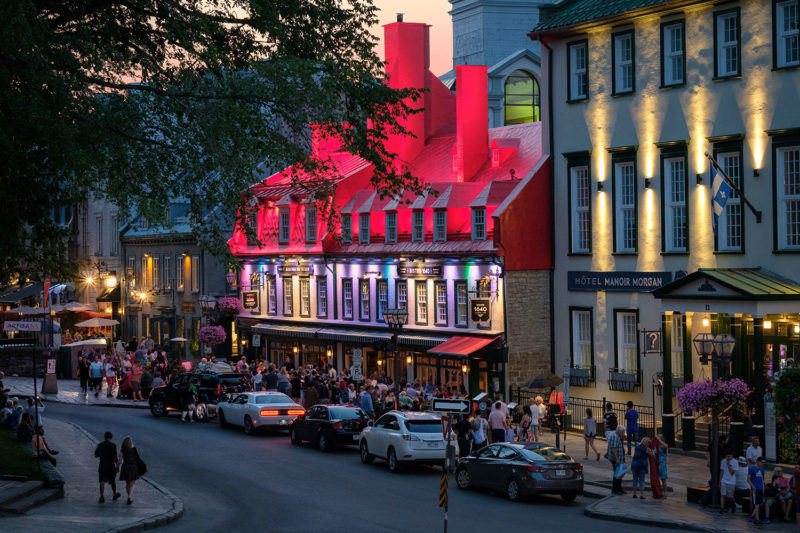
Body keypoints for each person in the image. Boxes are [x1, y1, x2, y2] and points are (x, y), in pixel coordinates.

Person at [95, 431, 121, 503]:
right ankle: (114, 494)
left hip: (102, 465)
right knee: (112, 481)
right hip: (111, 466)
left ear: (104, 437)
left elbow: (96, 455)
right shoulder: (113, 445)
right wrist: (117, 466)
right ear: (111, 438)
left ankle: (102, 496)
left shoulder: (100, 445)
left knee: (102, 482)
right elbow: (115, 457)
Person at [118, 436, 142, 505]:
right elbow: (137, 458)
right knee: (132, 483)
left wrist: (117, 467)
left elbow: (119, 461)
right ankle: (130, 496)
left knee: (127, 484)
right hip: (133, 466)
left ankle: (129, 496)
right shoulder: (134, 449)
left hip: (125, 467)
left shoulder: (122, 450)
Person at [607, 426, 626, 495]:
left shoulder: (618, 436)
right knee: (617, 474)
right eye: (623, 432)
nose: (624, 433)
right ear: (619, 431)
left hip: (620, 458)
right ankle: (615, 489)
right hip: (616, 459)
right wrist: (617, 459)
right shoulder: (615, 436)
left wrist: (623, 437)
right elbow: (613, 448)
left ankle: (619, 488)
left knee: (619, 474)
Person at [748, 456, 766, 526]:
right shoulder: (752, 468)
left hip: (760, 488)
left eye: (763, 463)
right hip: (755, 489)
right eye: (761, 462)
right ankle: (757, 519)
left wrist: (763, 487)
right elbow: (748, 479)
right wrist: (753, 487)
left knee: (758, 504)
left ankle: (753, 517)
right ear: (758, 461)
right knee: (756, 504)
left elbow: (762, 479)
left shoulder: (762, 469)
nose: (762, 464)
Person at [720, 449, 739, 513]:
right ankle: (722, 508)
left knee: (730, 496)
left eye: (729, 456)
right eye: (726, 456)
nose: (727, 458)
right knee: (723, 494)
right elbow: (722, 471)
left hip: (731, 481)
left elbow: (732, 473)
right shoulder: (723, 461)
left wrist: (729, 466)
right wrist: (719, 481)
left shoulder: (735, 462)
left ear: (731, 456)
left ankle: (733, 505)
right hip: (724, 480)